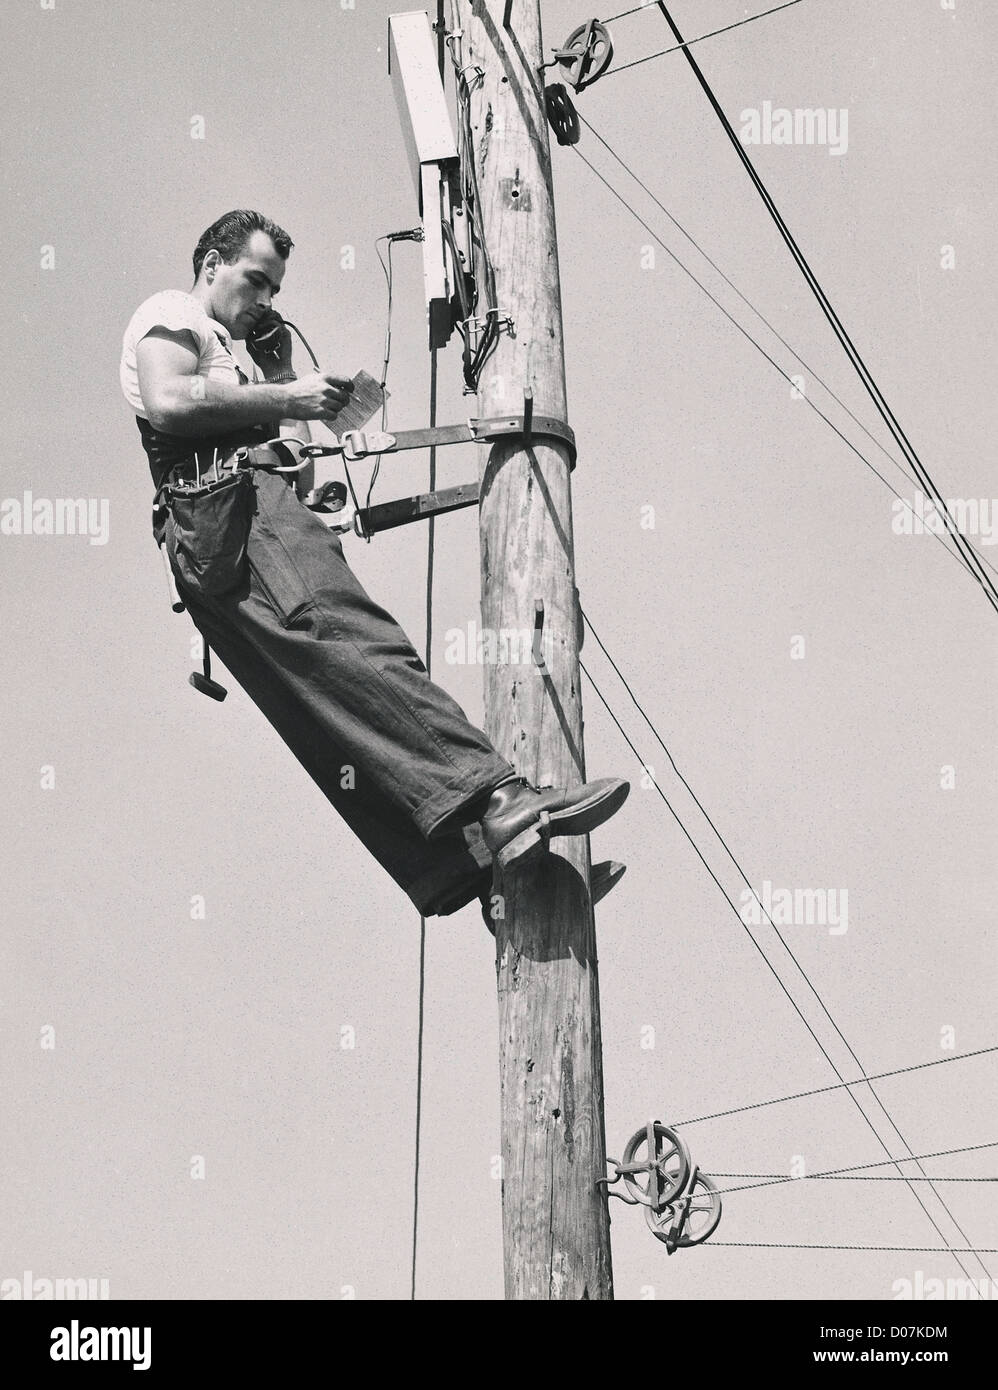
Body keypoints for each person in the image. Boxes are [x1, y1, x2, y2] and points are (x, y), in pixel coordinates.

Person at [119, 209, 628, 924]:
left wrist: (277, 373)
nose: (264, 301)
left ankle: (479, 871)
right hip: (233, 516)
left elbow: (291, 464)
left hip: (237, 527)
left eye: (274, 290)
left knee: (329, 706)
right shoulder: (173, 312)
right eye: (255, 281)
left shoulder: (238, 360)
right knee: (360, 648)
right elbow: (170, 399)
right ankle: (500, 800)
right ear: (210, 265)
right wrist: (285, 396)